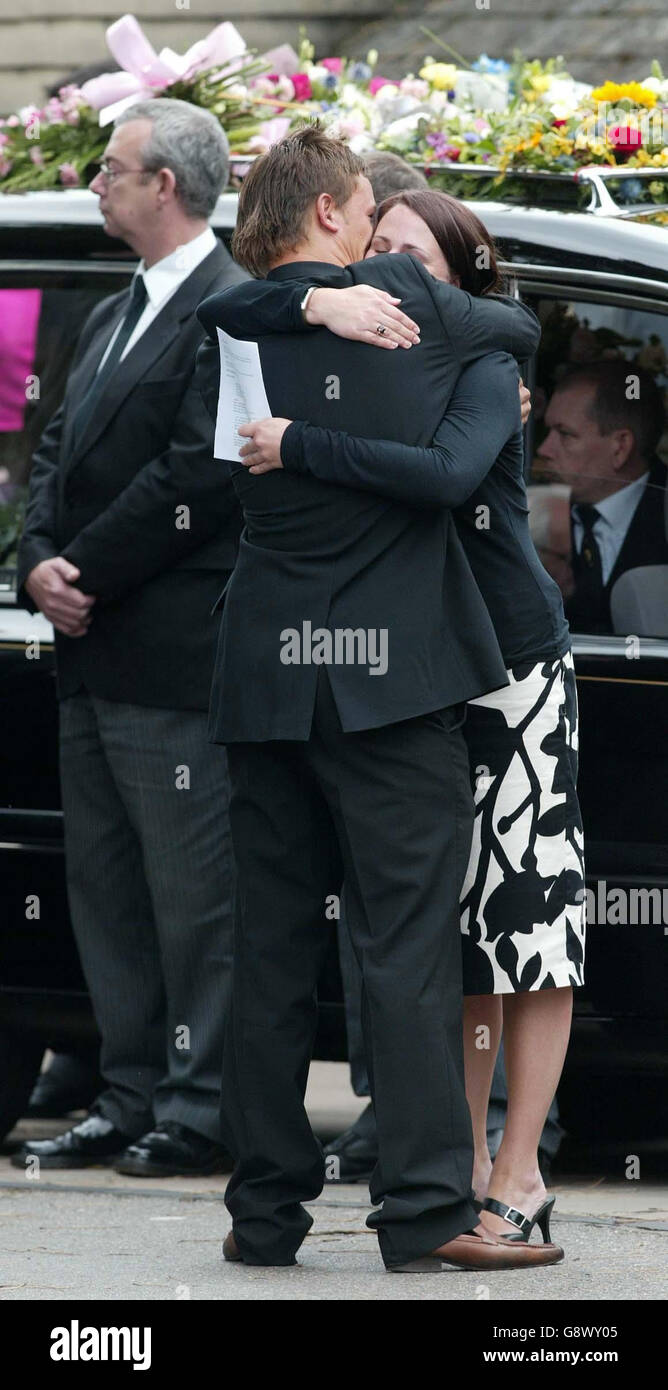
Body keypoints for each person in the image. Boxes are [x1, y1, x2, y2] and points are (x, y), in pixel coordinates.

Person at [196, 124, 558, 1273]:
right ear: (328, 217)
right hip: (390, 679)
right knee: (402, 952)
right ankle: (419, 1215)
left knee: (265, 955)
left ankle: (262, 1217)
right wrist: (375, 298)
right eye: (359, 209)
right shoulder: (405, 299)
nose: (371, 229)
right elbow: (516, 326)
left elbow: (235, 320)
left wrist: (304, 315)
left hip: (266, 670)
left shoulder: (241, 322)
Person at [13, 99, 247, 1178]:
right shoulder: (113, 313)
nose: (97, 183)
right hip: (90, 653)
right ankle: (129, 1089)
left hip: (170, 657)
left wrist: (84, 571)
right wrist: (35, 562)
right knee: (105, 891)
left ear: (167, 185)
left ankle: (200, 1106)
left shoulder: (228, 305)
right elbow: (55, 445)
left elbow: (196, 475)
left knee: (192, 902)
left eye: (113, 169)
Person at [537, 361, 667, 633]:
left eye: (565, 434)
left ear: (620, 447)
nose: (544, 449)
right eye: (548, 431)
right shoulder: (535, 515)